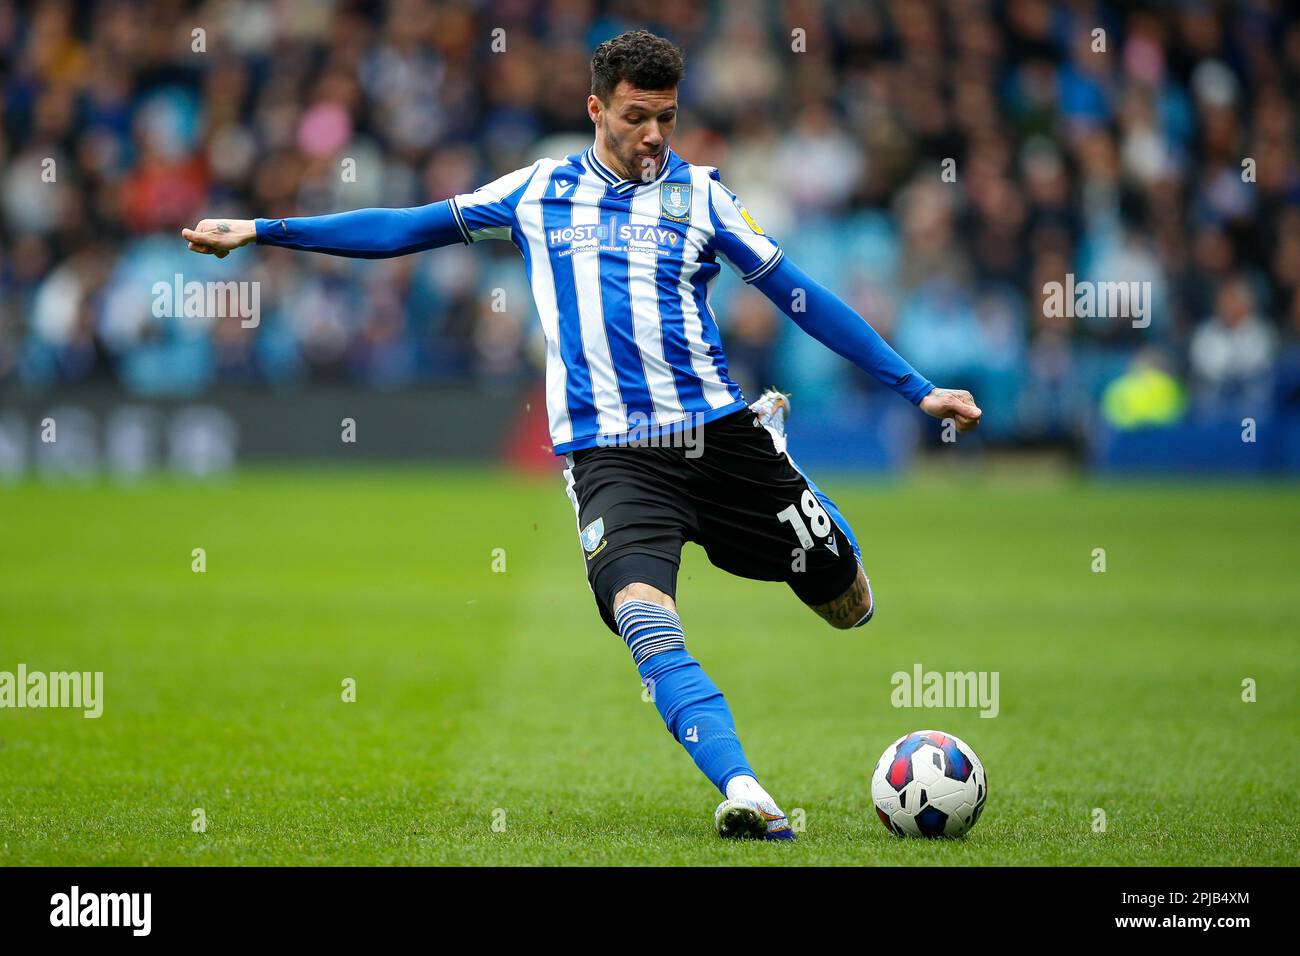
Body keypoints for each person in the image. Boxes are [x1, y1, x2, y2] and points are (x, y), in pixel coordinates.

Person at [181, 29, 981, 841]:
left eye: (666, 117)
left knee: (850, 607)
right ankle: (746, 790)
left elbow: (801, 297)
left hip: (721, 439)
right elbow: (402, 228)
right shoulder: (538, 191)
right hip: (612, 459)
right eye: (636, 117)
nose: (654, 136)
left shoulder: (701, 196)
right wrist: (261, 230)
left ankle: (789, 472)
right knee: (642, 611)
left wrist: (916, 389)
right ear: (596, 109)